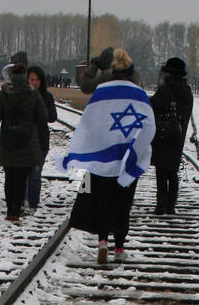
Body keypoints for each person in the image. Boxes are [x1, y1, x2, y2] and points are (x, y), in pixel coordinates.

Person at [60, 48, 155, 263]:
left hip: (102, 158)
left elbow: (89, 124)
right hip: (125, 158)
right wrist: (137, 152)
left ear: (112, 70)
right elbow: (149, 126)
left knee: (102, 201)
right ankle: (119, 248)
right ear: (131, 71)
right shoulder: (139, 94)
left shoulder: (101, 91)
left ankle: (102, 242)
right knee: (123, 202)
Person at [0, 61, 49, 221]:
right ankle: (18, 209)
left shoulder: (4, 93)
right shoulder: (33, 93)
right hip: (27, 142)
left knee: (10, 178)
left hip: (8, 142)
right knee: (22, 177)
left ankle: (11, 211)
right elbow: (43, 118)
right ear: (24, 77)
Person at [149, 57, 194, 215]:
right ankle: (171, 205)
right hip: (177, 136)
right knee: (173, 171)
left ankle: (161, 205)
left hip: (162, 136)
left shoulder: (165, 89)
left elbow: (153, 106)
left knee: (161, 171)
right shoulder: (187, 91)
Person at [26, 66, 57, 209]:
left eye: (37, 80)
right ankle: (24, 198)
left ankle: (33, 201)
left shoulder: (47, 96)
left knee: (36, 173)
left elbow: (52, 117)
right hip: (25, 139)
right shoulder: (23, 95)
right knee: (25, 172)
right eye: (32, 79)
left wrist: (40, 107)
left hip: (41, 140)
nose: (35, 83)